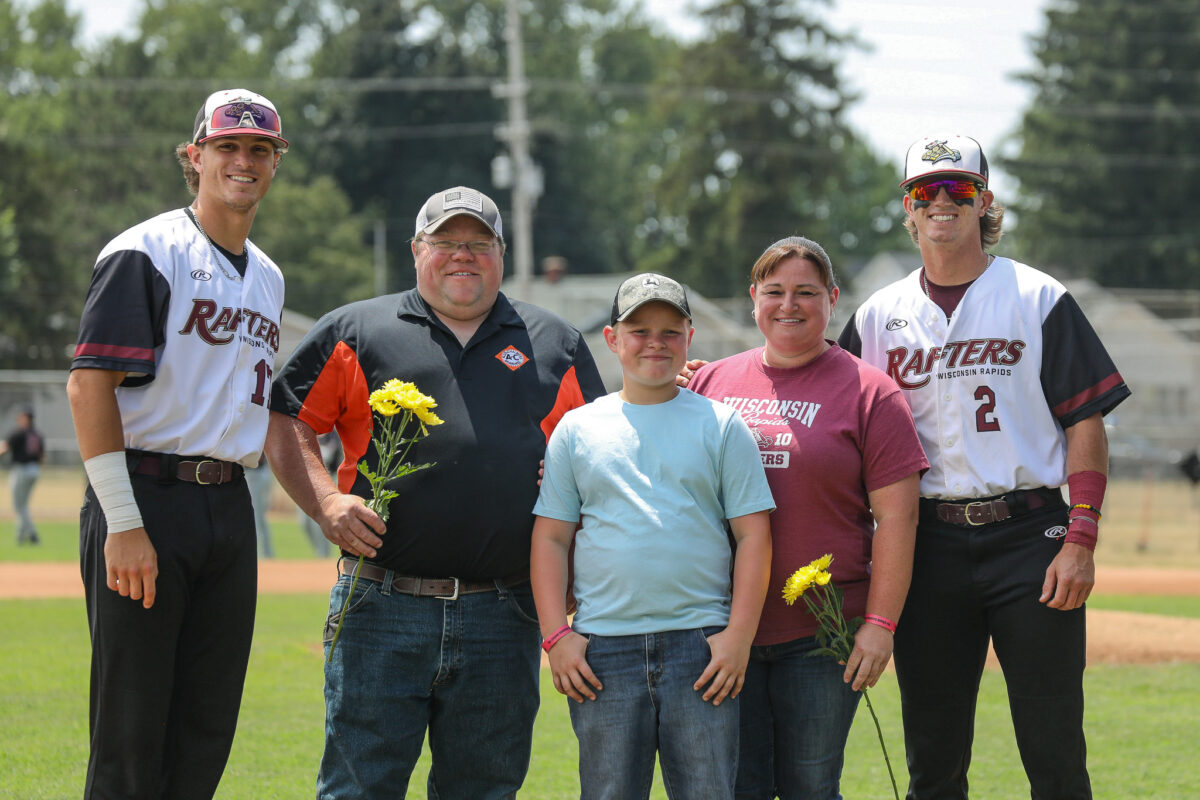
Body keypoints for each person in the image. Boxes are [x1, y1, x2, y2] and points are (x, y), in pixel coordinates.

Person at [265, 185, 607, 799]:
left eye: (479, 242)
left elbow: (605, 447)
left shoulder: (553, 340)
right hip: (380, 602)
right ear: (417, 249)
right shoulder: (357, 329)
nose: (462, 255)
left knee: (483, 790)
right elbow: (288, 417)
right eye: (446, 242)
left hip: (505, 611)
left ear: (501, 253)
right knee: (357, 790)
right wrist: (325, 500)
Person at [838, 134, 1131, 800]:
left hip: (1031, 537)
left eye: (959, 190)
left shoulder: (1037, 297)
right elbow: (823, 401)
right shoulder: (879, 315)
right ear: (907, 210)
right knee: (933, 757)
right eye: (925, 192)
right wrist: (716, 378)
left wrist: (1081, 537)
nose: (942, 203)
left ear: (984, 202)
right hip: (926, 542)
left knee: (1054, 747)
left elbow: (1086, 421)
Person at [66, 88, 289, 799]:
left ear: (275, 164)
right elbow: (88, 385)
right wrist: (123, 522)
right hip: (147, 497)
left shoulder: (269, 276)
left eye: (260, 150)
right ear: (195, 158)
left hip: (229, 506)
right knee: (132, 733)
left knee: (204, 726)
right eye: (227, 147)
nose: (244, 161)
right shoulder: (146, 251)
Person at [685, 237, 927, 800]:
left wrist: (880, 624)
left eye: (805, 292)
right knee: (733, 787)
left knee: (810, 788)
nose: (788, 305)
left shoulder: (872, 392)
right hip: (720, 629)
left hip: (821, 634)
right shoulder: (707, 384)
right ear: (753, 299)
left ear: (833, 299)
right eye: (774, 291)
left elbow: (898, 519)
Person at [531, 272, 775, 800]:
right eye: (639, 330)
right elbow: (551, 539)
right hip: (602, 650)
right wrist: (556, 635)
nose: (655, 343)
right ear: (613, 339)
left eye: (670, 330)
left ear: (690, 337)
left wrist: (738, 637)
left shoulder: (722, 424)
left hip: (702, 646)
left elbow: (754, 537)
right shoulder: (577, 428)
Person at [1, 406, 45, 545]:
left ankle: (32, 534)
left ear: (26, 418)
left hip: (21, 470)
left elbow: (4, 448)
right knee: (23, 505)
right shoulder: (37, 434)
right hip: (35, 470)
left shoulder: (19, 433)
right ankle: (20, 535)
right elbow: (43, 456)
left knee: (19, 505)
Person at [245, 455, 276, 558]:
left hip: (256, 473)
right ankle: (266, 553)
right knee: (256, 518)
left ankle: (266, 554)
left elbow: (257, 457)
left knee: (257, 518)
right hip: (254, 474)